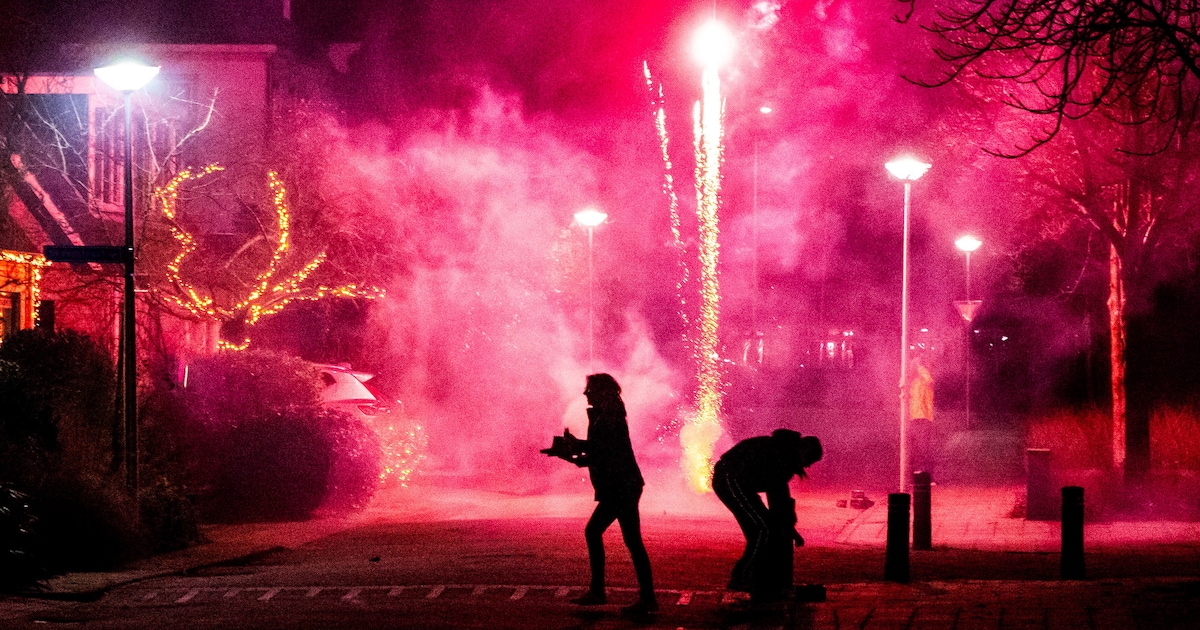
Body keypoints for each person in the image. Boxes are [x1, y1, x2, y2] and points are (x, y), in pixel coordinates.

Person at [546, 373, 657, 615]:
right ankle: (640, 597)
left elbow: (605, 452)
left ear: (602, 391)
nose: (586, 393)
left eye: (590, 389)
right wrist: (578, 447)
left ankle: (608, 593)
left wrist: (575, 454)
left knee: (604, 534)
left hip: (620, 486)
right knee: (627, 540)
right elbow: (602, 448)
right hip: (622, 485)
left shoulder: (608, 418)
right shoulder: (609, 415)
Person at [711, 429, 822, 602]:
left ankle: (748, 576)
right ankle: (741, 577)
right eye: (809, 461)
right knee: (763, 530)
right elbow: (778, 496)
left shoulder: (782, 450)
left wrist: (789, 529)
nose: (806, 466)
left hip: (736, 481)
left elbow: (779, 498)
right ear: (804, 450)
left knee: (761, 530)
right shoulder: (782, 456)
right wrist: (789, 528)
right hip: (730, 479)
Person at [908, 355, 935, 477]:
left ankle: (927, 476)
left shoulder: (926, 381)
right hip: (914, 418)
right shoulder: (913, 382)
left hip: (924, 417)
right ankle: (916, 474)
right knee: (915, 448)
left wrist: (919, 366)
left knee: (924, 448)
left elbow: (928, 379)